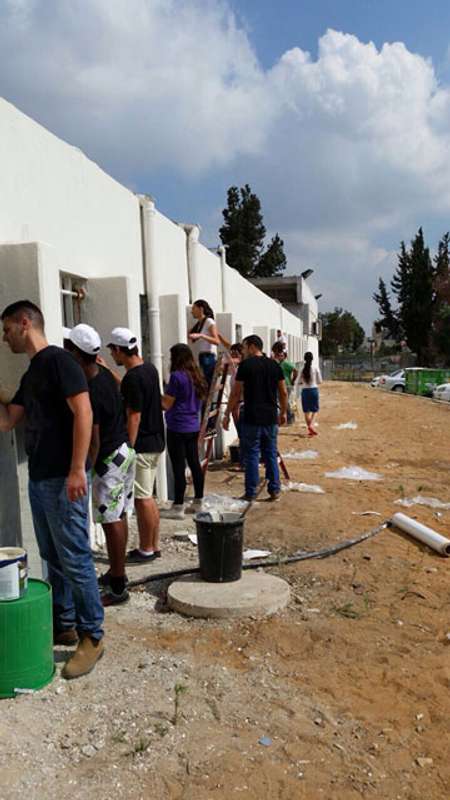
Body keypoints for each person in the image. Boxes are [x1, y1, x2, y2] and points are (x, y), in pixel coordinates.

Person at [0, 301, 104, 680]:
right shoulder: (33, 374)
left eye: (7, 330)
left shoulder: (60, 362)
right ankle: (65, 623)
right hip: (41, 478)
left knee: (75, 557)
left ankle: (93, 635)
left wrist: (78, 469)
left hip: (64, 478)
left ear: (24, 323)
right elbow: (9, 421)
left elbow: (84, 412)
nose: (4, 337)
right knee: (52, 555)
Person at [67, 324, 136, 606]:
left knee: (111, 521)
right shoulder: (105, 374)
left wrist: (85, 471)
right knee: (118, 516)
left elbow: (93, 441)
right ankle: (117, 572)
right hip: (123, 451)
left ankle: (118, 587)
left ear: (75, 354)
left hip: (109, 458)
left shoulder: (91, 389)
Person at [108, 327, 165, 563]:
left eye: (113, 352)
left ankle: (146, 548)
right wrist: (110, 373)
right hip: (156, 441)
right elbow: (135, 393)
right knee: (148, 497)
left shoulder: (133, 378)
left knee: (143, 499)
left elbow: (134, 415)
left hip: (141, 445)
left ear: (120, 350)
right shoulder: (148, 369)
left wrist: (128, 448)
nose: (113, 356)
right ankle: (153, 544)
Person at [223, 334, 288, 502]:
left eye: (244, 348)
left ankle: (250, 492)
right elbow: (283, 391)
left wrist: (226, 414)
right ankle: (274, 489)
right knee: (270, 454)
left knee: (251, 455)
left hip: (251, 417)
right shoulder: (274, 365)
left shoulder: (245, 366)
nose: (243, 351)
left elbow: (236, 393)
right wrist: (283, 413)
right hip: (270, 417)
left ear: (252, 347)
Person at [160, 344, 207, 519]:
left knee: (178, 466)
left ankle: (178, 506)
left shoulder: (176, 377)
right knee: (194, 463)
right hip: (192, 425)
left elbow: (166, 404)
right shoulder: (196, 376)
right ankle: (198, 501)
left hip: (177, 426)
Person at [188, 299, 220, 386]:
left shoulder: (209, 322)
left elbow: (217, 341)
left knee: (207, 383)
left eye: (194, 308)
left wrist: (201, 336)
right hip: (202, 356)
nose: (192, 311)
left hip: (208, 357)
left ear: (201, 309)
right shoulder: (199, 324)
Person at [271, 342, 298, 424]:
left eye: (281, 355)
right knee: (281, 401)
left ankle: (290, 418)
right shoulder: (279, 363)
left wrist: (293, 380)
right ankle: (286, 417)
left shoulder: (286, 363)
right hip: (280, 385)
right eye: (279, 355)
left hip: (287, 384)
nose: (279, 357)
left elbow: (295, 370)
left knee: (286, 402)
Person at [298, 351, 322, 436]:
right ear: (312, 359)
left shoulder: (302, 369)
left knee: (306, 411)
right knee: (315, 410)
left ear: (304, 359)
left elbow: (299, 381)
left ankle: (310, 427)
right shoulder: (315, 368)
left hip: (305, 391)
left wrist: (301, 383)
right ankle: (311, 426)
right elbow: (320, 381)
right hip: (313, 390)